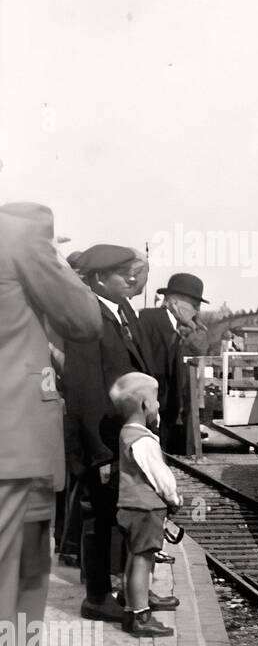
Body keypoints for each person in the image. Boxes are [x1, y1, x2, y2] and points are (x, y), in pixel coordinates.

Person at [0, 203, 101, 646]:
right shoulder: (18, 235)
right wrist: (46, 249)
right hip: (11, 440)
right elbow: (83, 318)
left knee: (23, 574)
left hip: (24, 445)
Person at [61, 243, 177, 623]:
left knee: (125, 520)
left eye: (133, 271)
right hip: (105, 441)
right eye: (121, 273)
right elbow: (85, 391)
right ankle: (96, 596)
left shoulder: (124, 310)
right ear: (97, 279)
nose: (132, 278)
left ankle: (132, 592)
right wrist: (99, 455)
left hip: (124, 434)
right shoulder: (85, 318)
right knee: (101, 519)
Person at [108, 373, 181, 637]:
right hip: (145, 509)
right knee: (142, 560)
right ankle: (140, 616)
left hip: (129, 507)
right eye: (156, 400)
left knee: (133, 559)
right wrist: (174, 498)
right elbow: (160, 476)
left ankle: (132, 607)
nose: (159, 405)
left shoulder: (127, 433)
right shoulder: (144, 441)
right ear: (144, 404)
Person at [136, 273, 208, 454]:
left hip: (167, 408)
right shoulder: (147, 318)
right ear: (176, 301)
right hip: (147, 403)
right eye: (194, 305)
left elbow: (200, 351)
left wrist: (193, 332)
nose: (196, 311)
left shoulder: (182, 328)